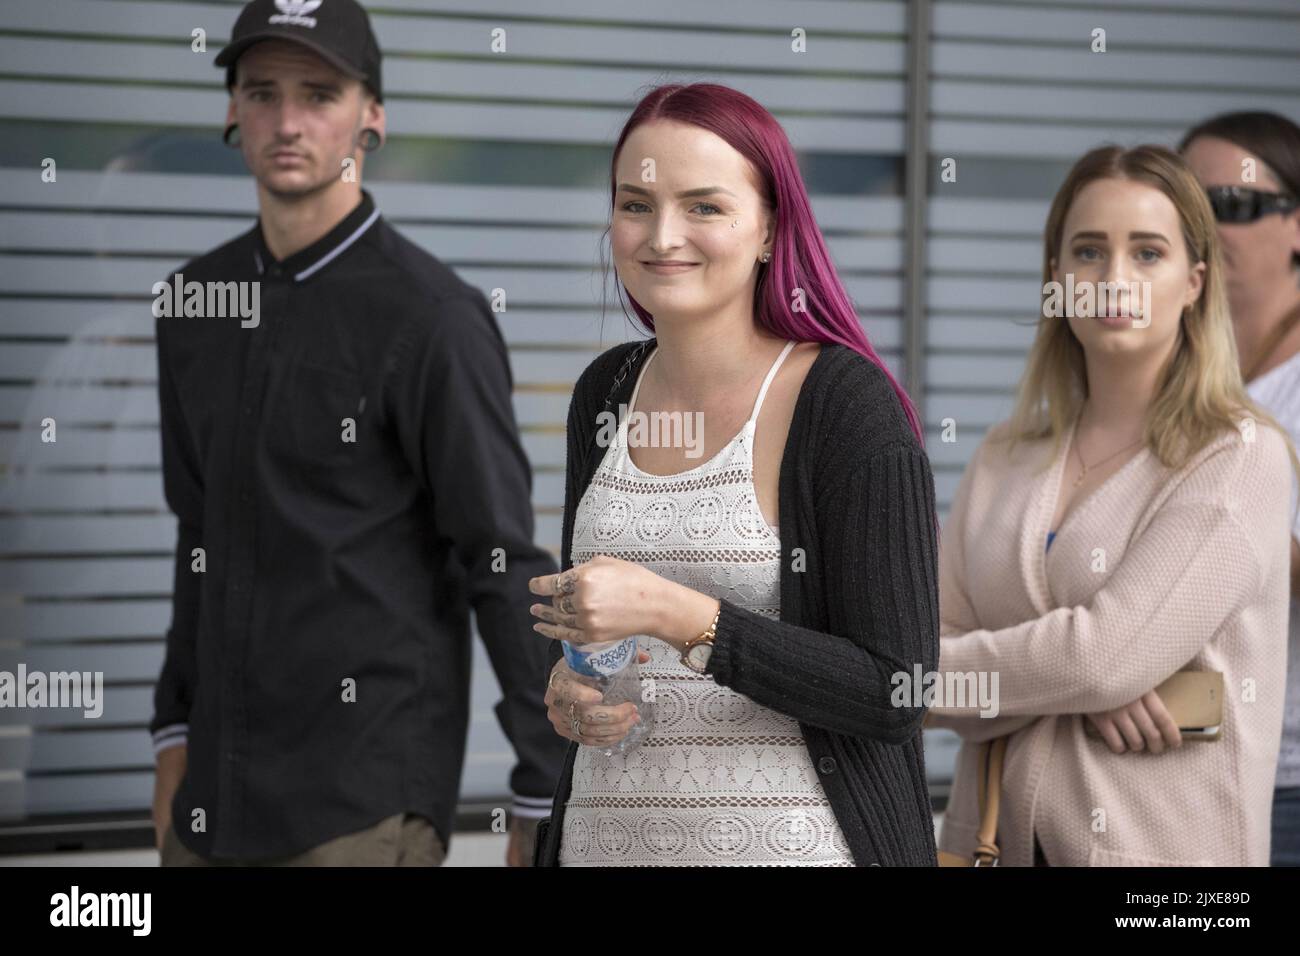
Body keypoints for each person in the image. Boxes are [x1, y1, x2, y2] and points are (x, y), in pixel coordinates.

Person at [149, 0, 565, 866]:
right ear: (231, 110)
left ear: (371, 116)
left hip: (360, 802)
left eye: (320, 93)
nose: (288, 121)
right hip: (211, 802)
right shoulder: (194, 302)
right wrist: (171, 732)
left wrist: (544, 784)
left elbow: (502, 557)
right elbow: (200, 536)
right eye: (262, 93)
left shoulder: (433, 318)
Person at [525, 83, 940, 866]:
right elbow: (593, 628)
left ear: (768, 229)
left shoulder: (844, 404)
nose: (663, 235)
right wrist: (569, 691)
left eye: (705, 207)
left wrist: (679, 613)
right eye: (636, 203)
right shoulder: (607, 391)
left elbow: (898, 688)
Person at [927, 144, 1298, 867]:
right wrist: (1082, 681)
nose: (1113, 279)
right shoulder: (1006, 453)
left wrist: (1088, 672)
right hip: (988, 849)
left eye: (1148, 253)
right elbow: (920, 668)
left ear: (1194, 282)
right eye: (1089, 252)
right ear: (1057, 279)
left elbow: (1100, 658)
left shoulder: (1237, 454)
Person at [1182, 112, 1300, 867]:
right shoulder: (1172, 388)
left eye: (1232, 204)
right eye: (1186, 206)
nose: (1205, 226)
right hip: (1174, 777)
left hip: (1286, 790)